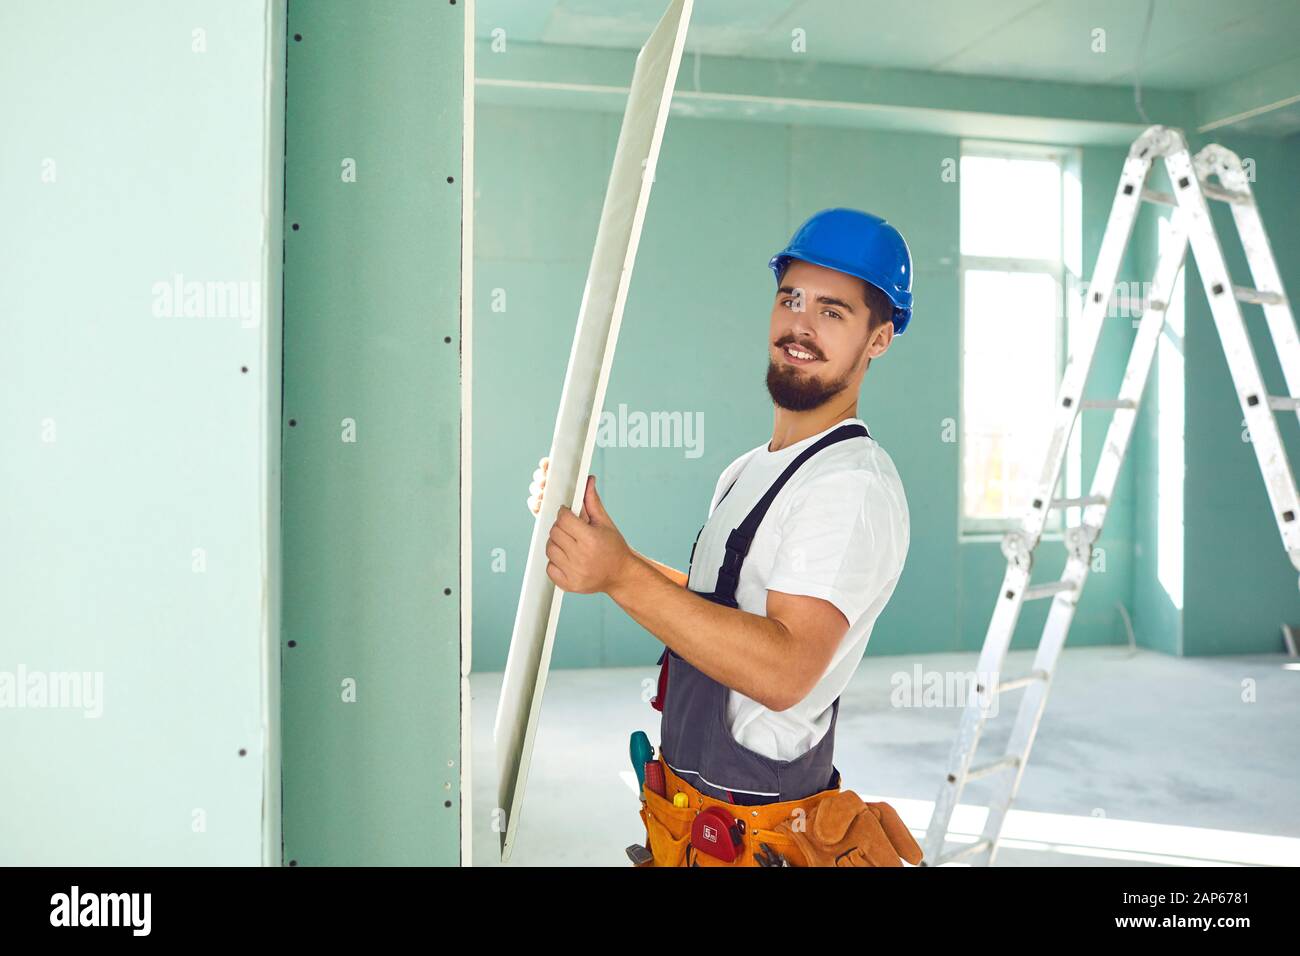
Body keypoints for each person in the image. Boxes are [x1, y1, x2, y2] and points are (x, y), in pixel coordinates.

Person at [527, 208, 922, 867]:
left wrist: (619, 575)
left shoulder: (850, 487)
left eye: (833, 311)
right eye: (790, 298)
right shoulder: (748, 468)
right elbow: (723, 611)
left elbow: (783, 668)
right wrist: (609, 551)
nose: (800, 325)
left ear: (877, 340)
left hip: (757, 834)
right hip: (691, 824)